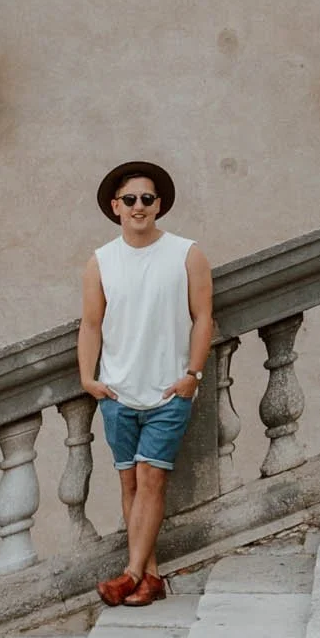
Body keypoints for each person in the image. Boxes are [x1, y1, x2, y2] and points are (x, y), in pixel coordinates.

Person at [78, 159, 213, 607]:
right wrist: (88, 378)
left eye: (147, 199)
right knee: (130, 486)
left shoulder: (186, 254)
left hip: (168, 391)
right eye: (131, 199)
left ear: (159, 206)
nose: (139, 206)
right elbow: (91, 324)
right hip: (117, 392)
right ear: (116, 206)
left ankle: (130, 574)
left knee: (151, 478)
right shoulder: (101, 261)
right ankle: (150, 577)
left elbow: (203, 317)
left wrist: (192, 375)